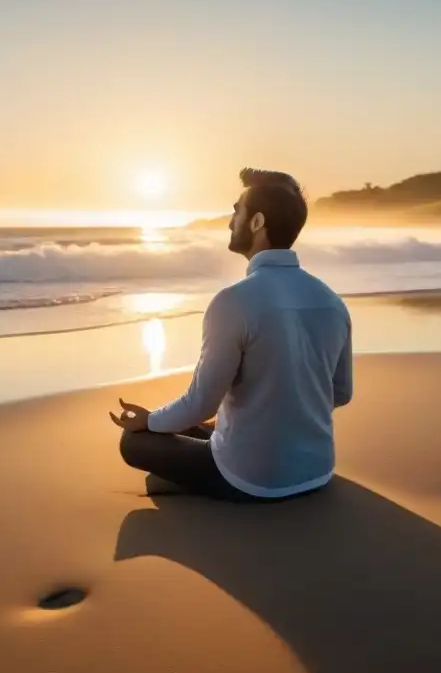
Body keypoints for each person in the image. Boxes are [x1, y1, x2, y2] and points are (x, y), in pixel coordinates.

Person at [109, 168, 353, 503]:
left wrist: (148, 420)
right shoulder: (331, 301)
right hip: (316, 471)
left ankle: (188, 482)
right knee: (197, 424)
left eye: (237, 210)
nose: (230, 220)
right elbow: (340, 393)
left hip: (251, 480)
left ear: (257, 223)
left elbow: (199, 403)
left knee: (135, 441)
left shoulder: (233, 301)